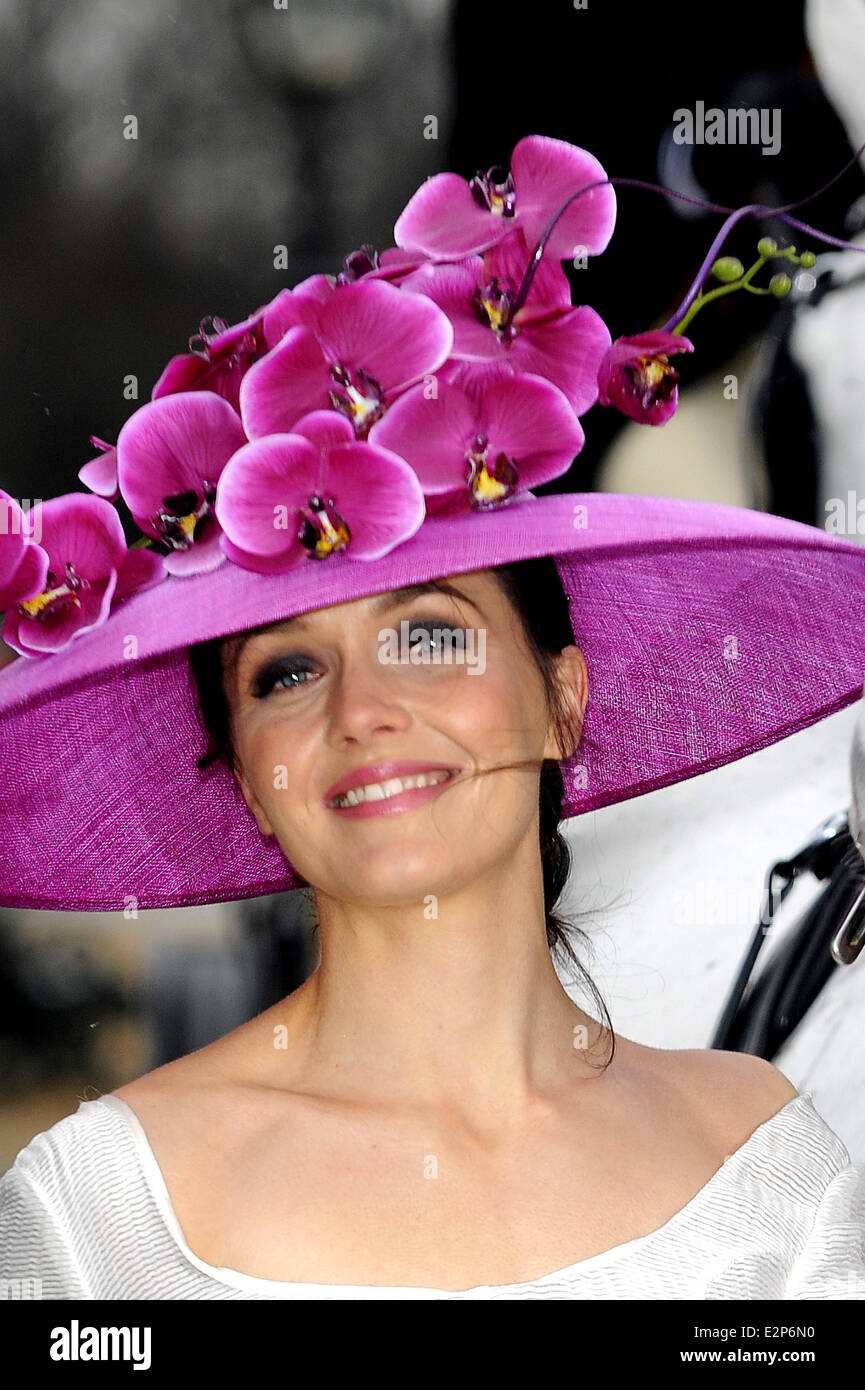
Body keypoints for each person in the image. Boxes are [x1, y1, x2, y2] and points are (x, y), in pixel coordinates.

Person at [1, 134, 865, 1300]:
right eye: (285, 674)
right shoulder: (98, 1219)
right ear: (247, 774)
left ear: (561, 699)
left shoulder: (767, 1173)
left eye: (429, 635)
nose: (362, 711)